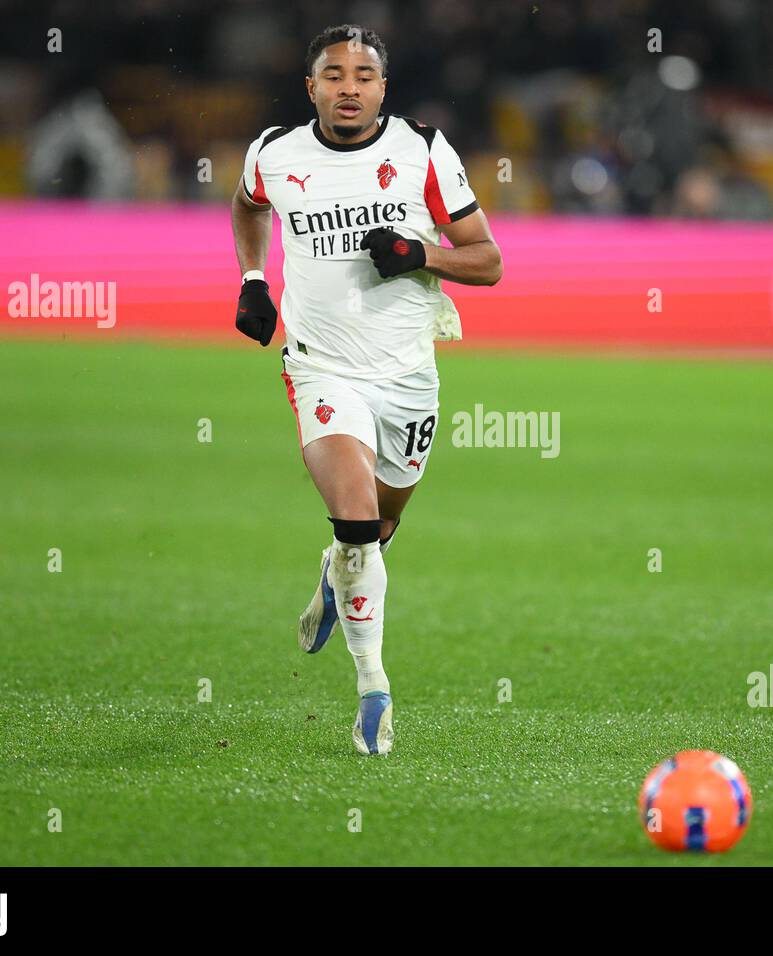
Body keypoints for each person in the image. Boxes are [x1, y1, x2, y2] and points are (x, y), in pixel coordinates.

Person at [229, 24, 503, 755]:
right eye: (333, 74)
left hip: (408, 374)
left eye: (363, 75)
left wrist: (421, 254)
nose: (348, 87)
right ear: (310, 85)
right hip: (320, 366)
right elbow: (248, 205)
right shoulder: (275, 154)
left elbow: (489, 262)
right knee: (354, 521)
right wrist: (254, 280)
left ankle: (335, 571)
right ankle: (373, 689)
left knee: (377, 532)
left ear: (384, 87)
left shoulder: (422, 152)